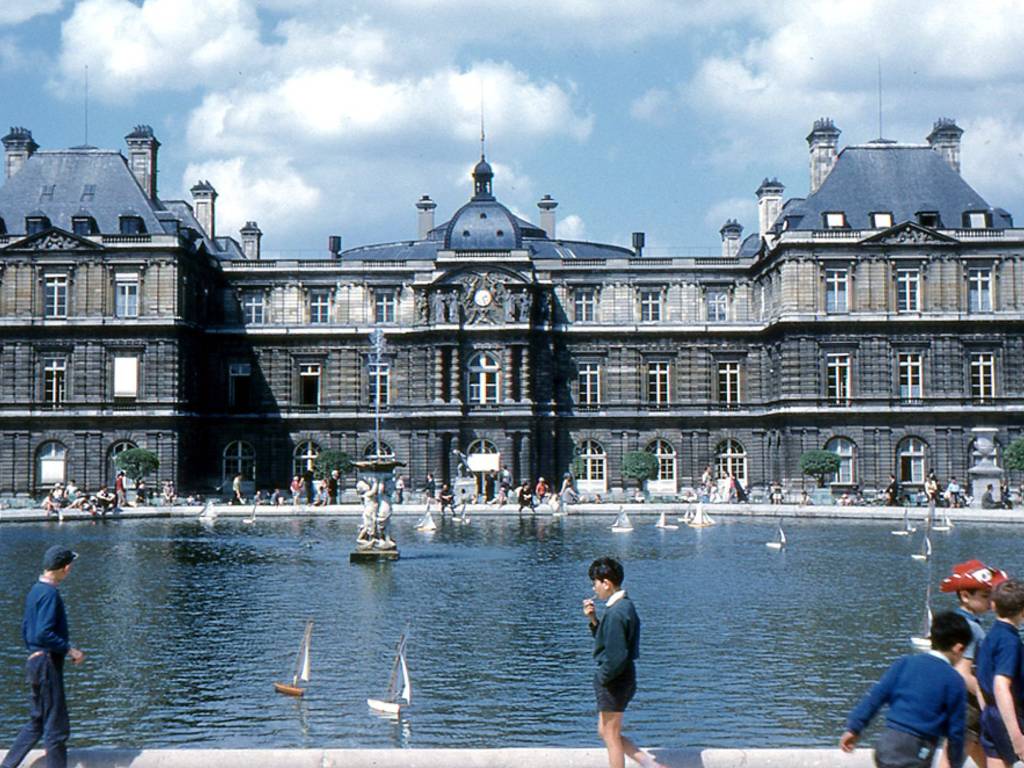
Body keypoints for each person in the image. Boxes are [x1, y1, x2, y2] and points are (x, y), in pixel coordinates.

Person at [840, 610, 971, 768]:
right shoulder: (954, 680)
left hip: (887, 743)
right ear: (959, 648)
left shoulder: (904, 663)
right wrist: (955, 761)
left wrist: (854, 728)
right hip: (917, 749)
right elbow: (956, 730)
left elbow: (874, 698)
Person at [1, 545, 86, 768]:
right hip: (48, 663)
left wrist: (36, 653)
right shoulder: (50, 594)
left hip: (35, 662)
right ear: (66, 568)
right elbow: (44, 632)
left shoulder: (35, 591)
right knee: (56, 728)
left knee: (37, 722)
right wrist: (70, 649)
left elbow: (27, 629)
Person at [582, 557, 661, 768]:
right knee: (606, 731)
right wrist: (593, 621)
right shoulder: (624, 606)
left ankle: (651, 766)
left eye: (595, 583)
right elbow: (611, 642)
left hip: (615, 681)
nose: (594, 588)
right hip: (623, 677)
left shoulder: (617, 612)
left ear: (606, 583)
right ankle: (651, 765)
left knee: (610, 735)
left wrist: (601, 678)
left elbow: (616, 656)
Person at [937, 560, 1009, 768]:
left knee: (990, 761)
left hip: (956, 702)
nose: (990, 601)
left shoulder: (954, 622)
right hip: (969, 707)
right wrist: (988, 696)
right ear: (965, 596)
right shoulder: (972, 628)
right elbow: (962, 672)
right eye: (985, 596)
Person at [976, 580, 1024, 767]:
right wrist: (1016, 737)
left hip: (990, 713)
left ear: (994, 605)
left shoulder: (990, 637)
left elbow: (980, 679)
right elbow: (1000, 685)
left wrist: (987, 712)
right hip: (1009, 715)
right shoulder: (1010, 642)